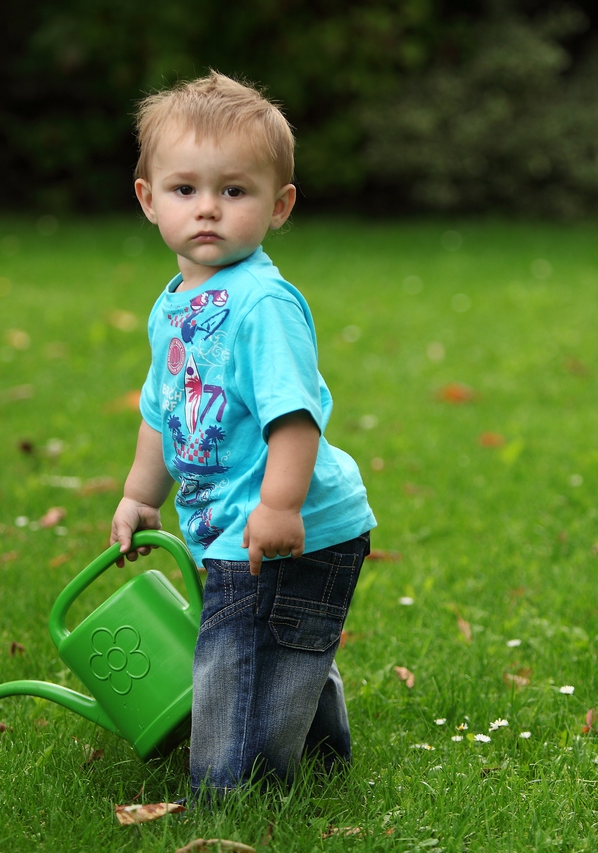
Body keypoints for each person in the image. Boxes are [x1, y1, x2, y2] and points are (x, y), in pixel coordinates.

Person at [109, 70, 376, 796]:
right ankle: (321, 758)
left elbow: (294, 415)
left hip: (291, 522)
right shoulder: (174, 307)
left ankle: (232, 794)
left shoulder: (263, 304)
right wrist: (139, 495)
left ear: (279, 205)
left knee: (236, 657)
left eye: (234, 191)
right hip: (230, 525)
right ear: (149, 200)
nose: (207, 209)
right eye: (185, 189)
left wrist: (279, 504)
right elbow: (162, 410)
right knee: (280, 647)